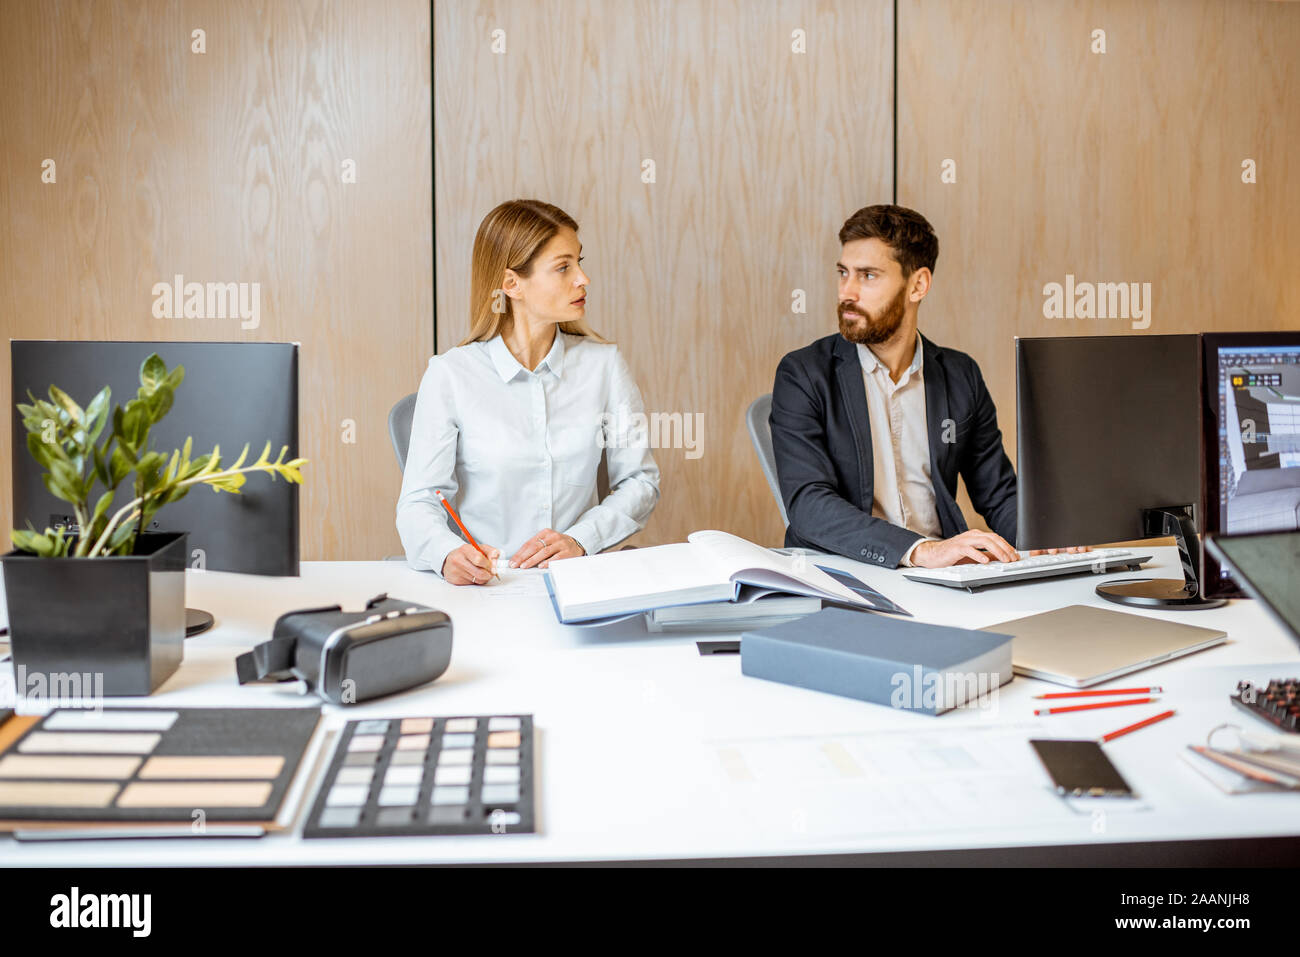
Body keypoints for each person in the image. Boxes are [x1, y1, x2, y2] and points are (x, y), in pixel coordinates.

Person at [770, 203, 1086, 569]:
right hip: (846, 572)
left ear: (918, 284)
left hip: (942, 578)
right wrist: (921, 550)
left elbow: (999, 494)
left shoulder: (960, 374)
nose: (847, 292)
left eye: (868, 276)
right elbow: (809, 504)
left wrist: (1048, 539)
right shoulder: (803, 373)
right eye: (843, 273)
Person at [397, 199, 660, 584]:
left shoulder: (603, 366)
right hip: (487, 585)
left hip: (578, 579)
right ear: (511, 284)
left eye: (579, 262)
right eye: (563, 267)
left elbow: (640, 482)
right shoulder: (451, 375)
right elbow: (420, 500)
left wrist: (580, 540)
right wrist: (446, 554)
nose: (583, 279)